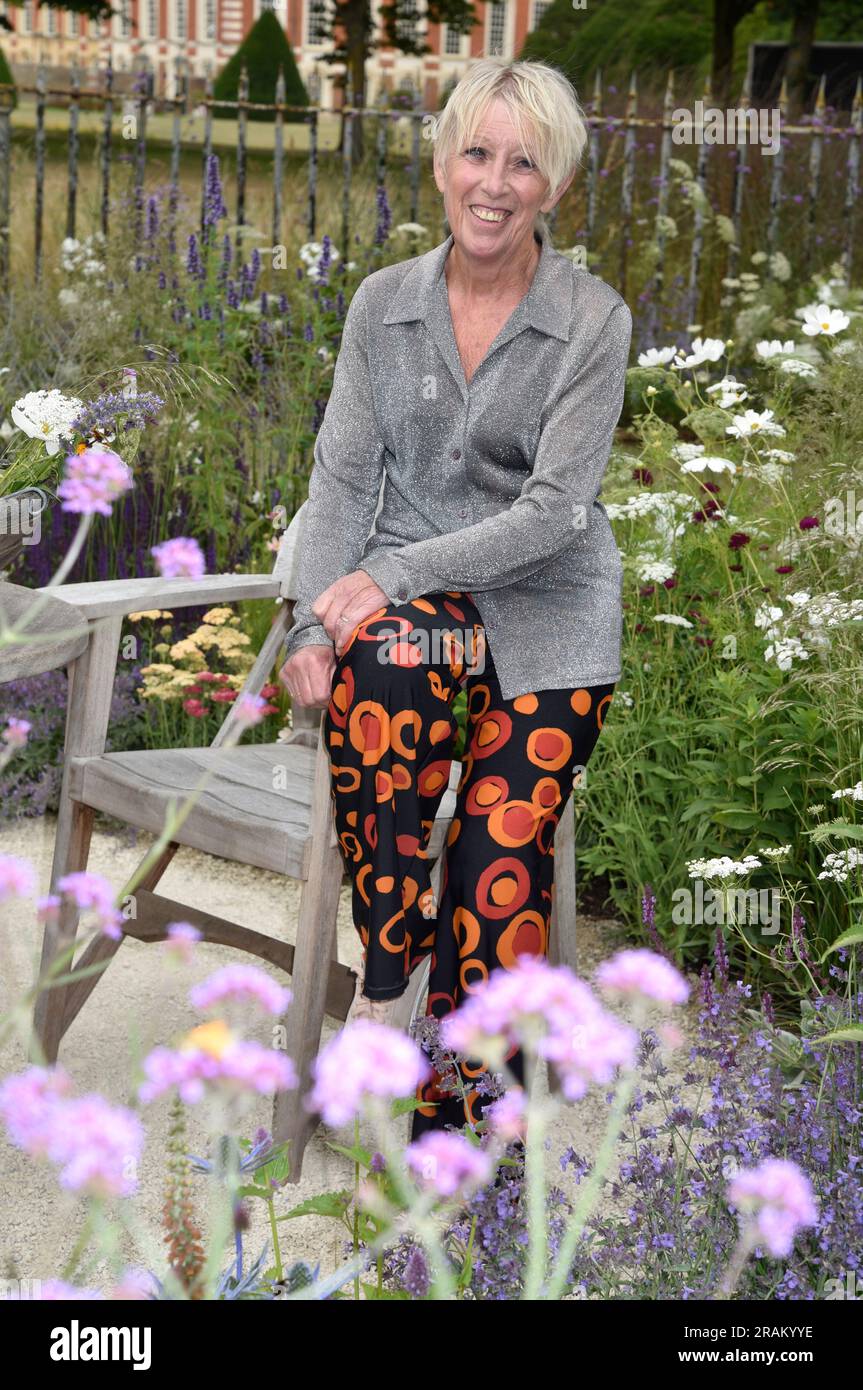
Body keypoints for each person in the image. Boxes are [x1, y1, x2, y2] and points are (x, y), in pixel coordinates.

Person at [279, 56, 633, 1142]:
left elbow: (550, 517)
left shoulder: (589, 319)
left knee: (492, 851)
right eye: (475, 152)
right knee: (381, 661)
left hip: (543, 626)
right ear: (439, 164)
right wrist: (307, 621)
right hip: (422, 635)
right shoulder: (382, 306)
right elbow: (340, 479)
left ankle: (458, 1112)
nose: (494, 181)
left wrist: (385, 575)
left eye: (522, 162)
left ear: (553, 185)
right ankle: (388, 995)